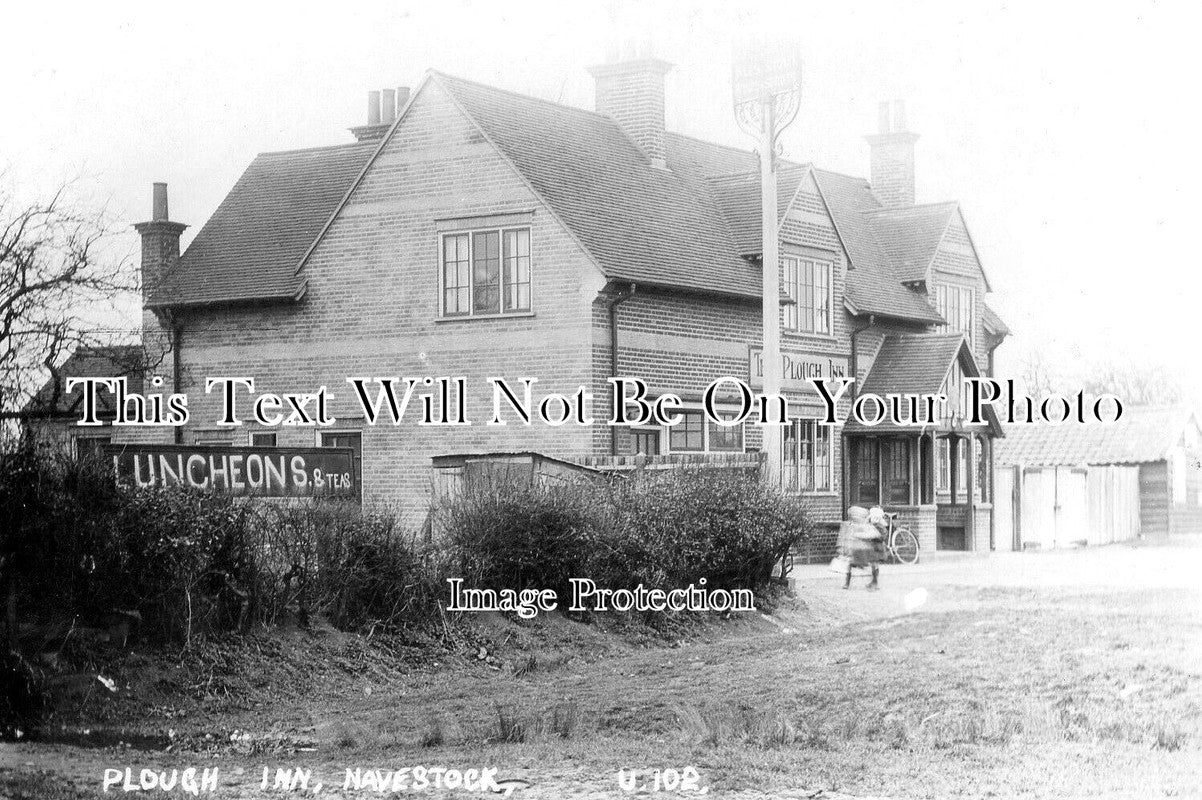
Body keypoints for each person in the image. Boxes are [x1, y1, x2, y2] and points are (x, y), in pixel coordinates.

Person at [840, 505, 882, 590]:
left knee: (873, 563)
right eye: (854, 517)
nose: (856, 519)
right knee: (850, 564)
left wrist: (861, 536)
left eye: (858, 517)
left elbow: (875, 534)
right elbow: (846, 538)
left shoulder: (866, 525)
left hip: (866, 549)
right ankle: (847, 582)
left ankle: (875, 582)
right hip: (856, 550)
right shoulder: (852, 526)